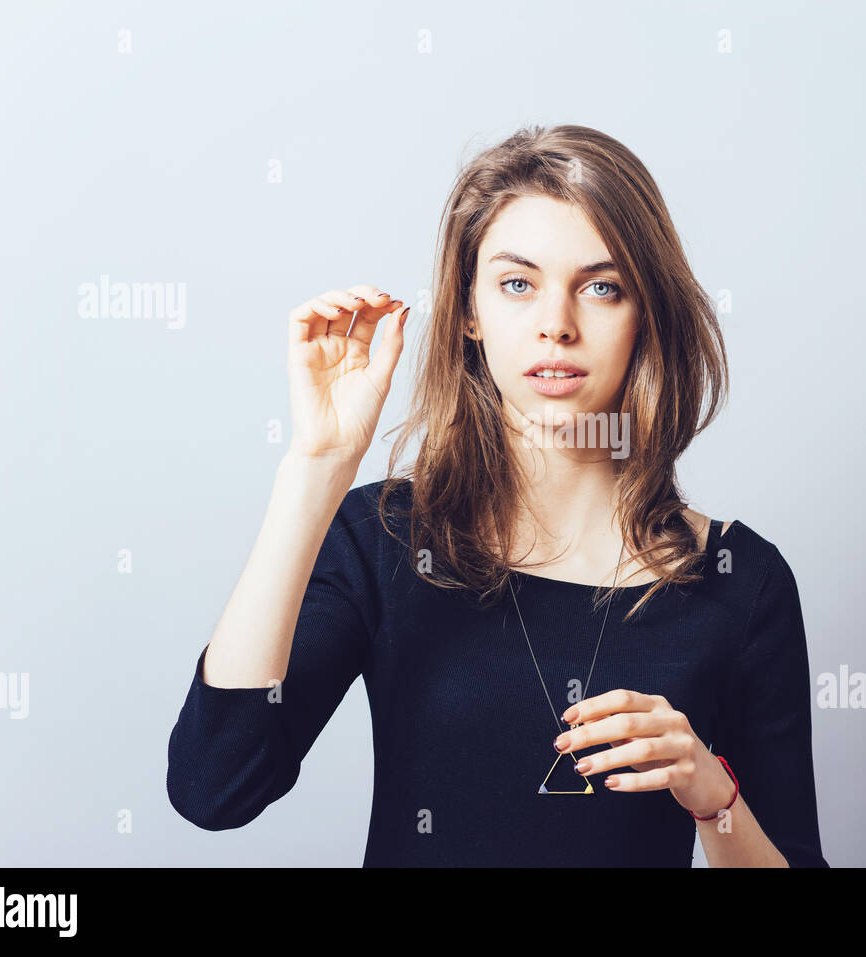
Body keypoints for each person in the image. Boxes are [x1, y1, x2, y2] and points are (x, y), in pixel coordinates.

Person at [166, 124, 828, 867]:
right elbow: (212, 784)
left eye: (601, 287)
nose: (556, 325)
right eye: (519, 283)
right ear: (471, 310)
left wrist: (713, 792)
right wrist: (315, 466)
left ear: (646, 314)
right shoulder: (386, 538)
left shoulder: (740, 581)